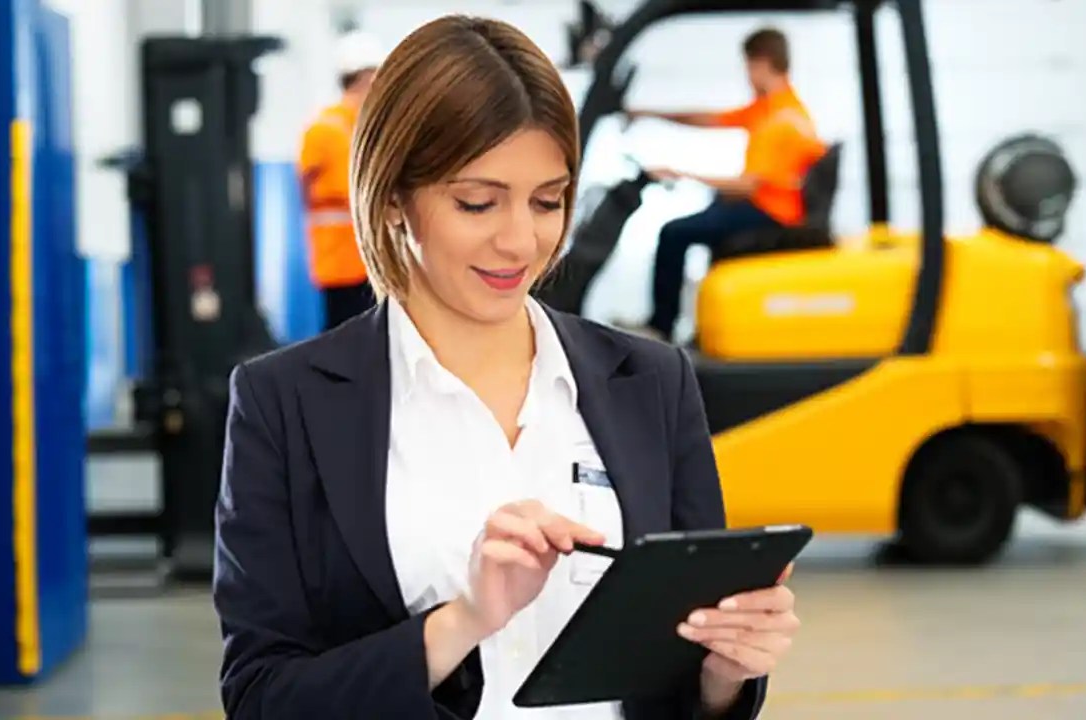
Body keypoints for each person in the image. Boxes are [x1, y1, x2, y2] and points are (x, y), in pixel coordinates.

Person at [213, 14, 800, 720]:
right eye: (477, 202)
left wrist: (725, 673)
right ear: (395, 197)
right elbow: (262, 699)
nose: (521, 241)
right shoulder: (287, 404)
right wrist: (461, 622)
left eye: (547, 201)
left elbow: (674, 685)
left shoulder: (651, 384)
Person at [623, 27, 826, 342]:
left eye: (748, 66)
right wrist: (649, 113)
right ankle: (698, 324)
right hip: (769, 204)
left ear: (761, 63)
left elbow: (746, 186)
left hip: (773, 213)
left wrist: (680, 172)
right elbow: (709, 120)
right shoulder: (773, 107)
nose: (747, 75)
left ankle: (660, 327)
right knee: (712, 211)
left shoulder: (781, 122)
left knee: (674, 232)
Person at [299, 32, 383, 330]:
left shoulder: (368, 126)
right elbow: (305, 185)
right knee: (343, 332)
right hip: (339, 256)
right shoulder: (325, 128)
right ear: (363, 78)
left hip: (369, 256)